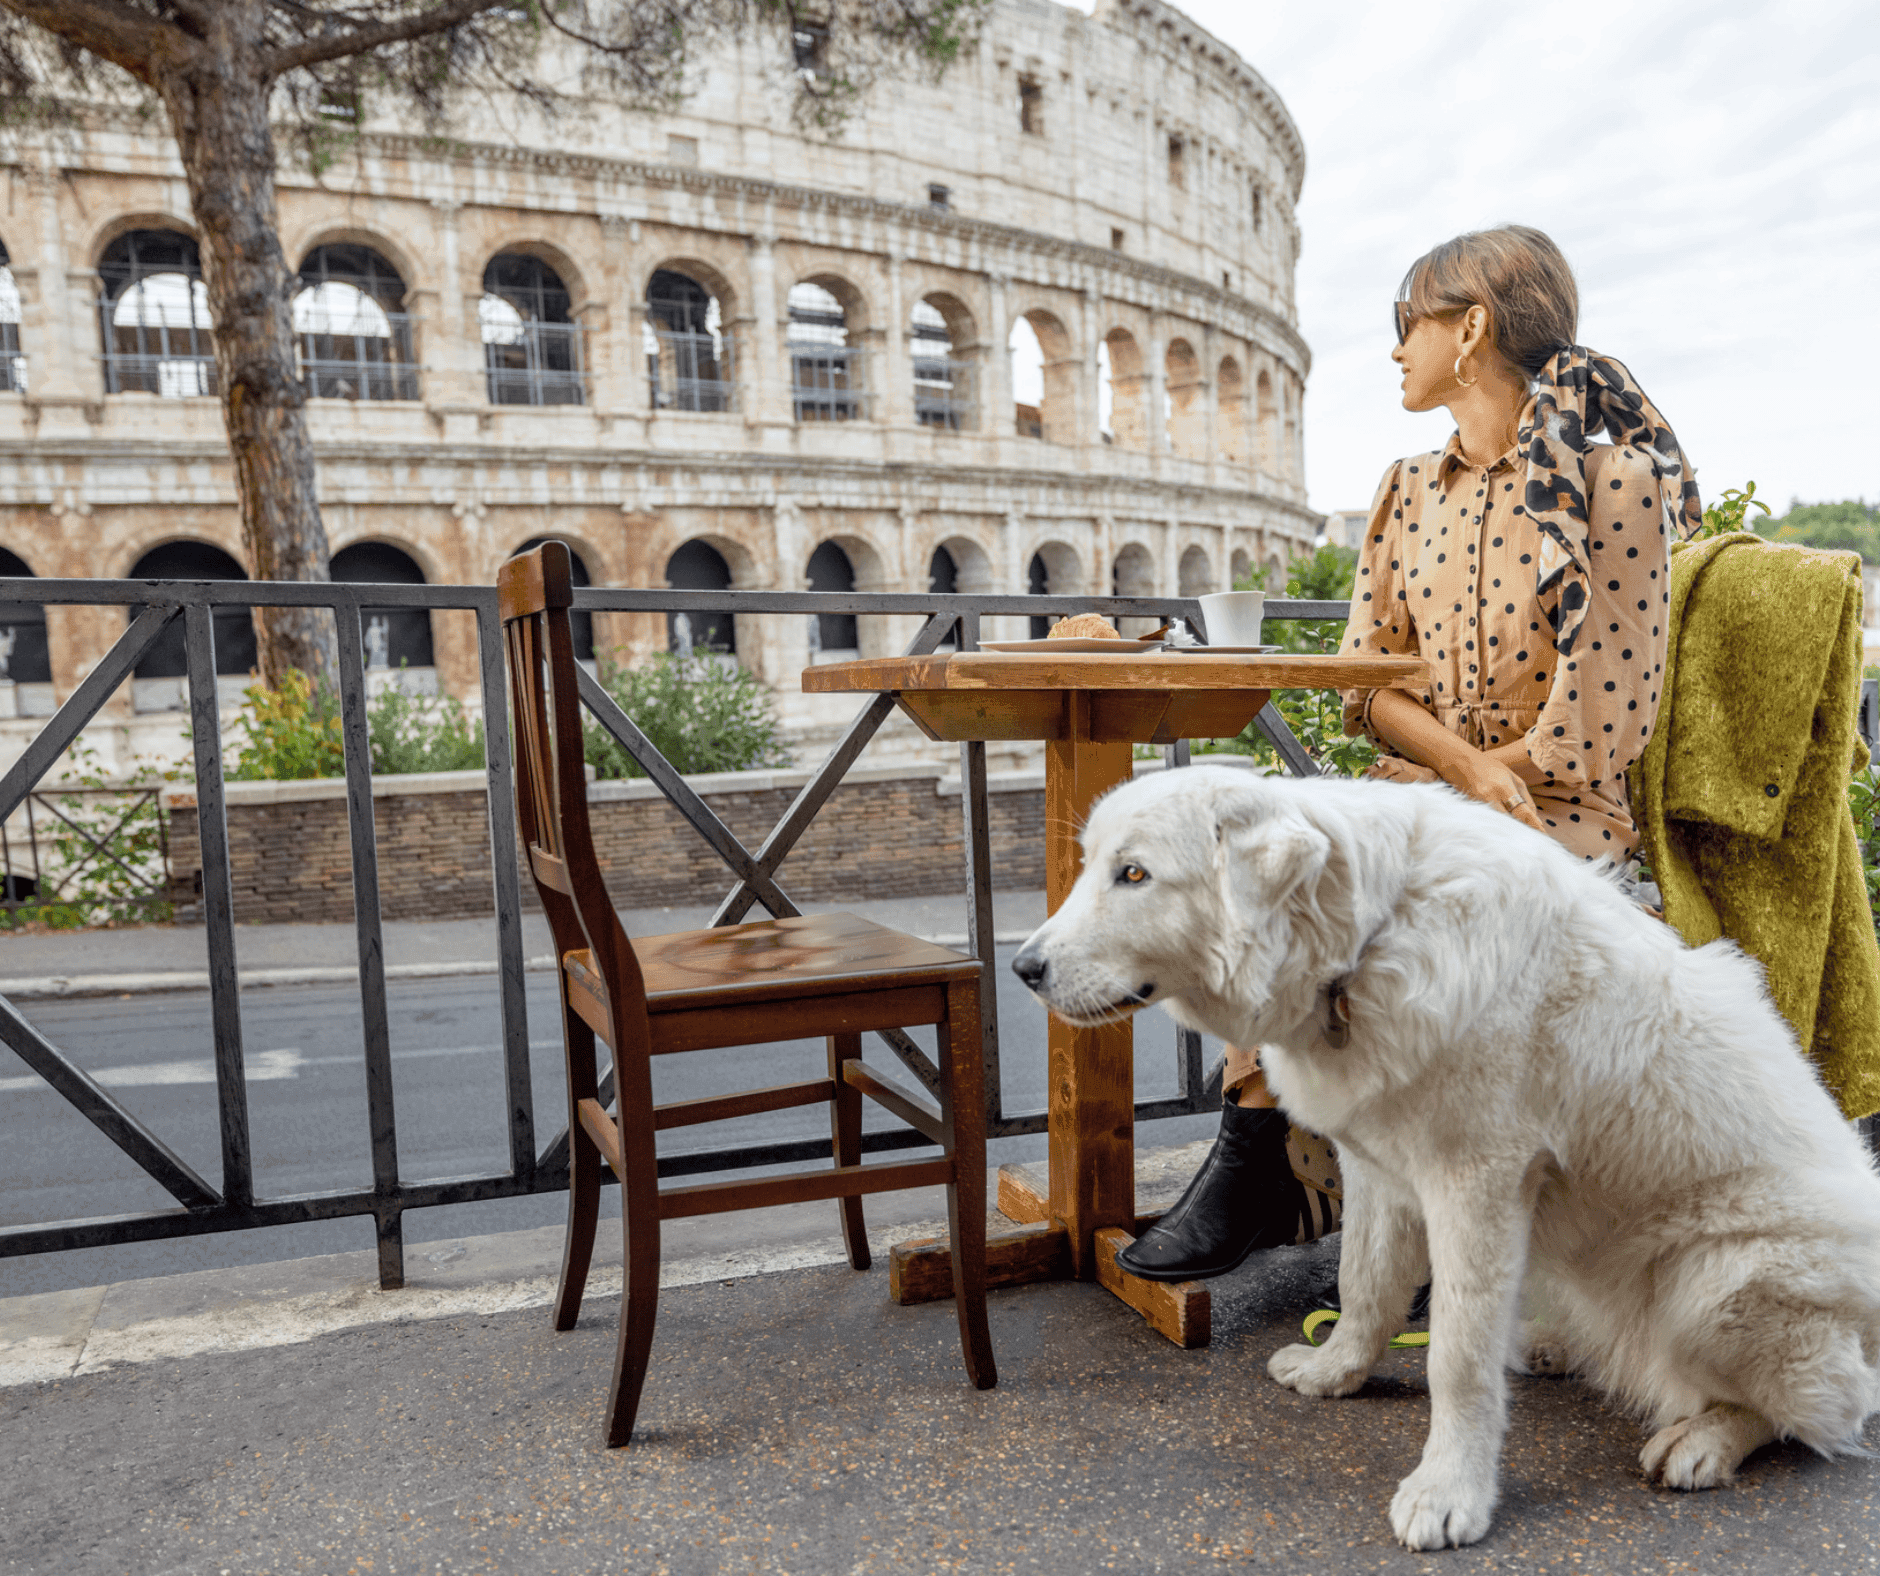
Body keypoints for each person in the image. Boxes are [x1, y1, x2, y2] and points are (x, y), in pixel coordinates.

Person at [1117, 224, 1702, 1282]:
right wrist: (1452, 769)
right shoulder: (1402, 489)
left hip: (1553, 820)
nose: (1394, 350)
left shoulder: (1612, 481)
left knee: (1370, 911)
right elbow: (1364, 684)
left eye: (1408, 325)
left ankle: (1399, 1215)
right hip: (1430, 797)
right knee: (1257, 881)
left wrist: (1484, 780)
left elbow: (1603, 722)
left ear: (1469, 328)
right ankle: (1258, 1158)